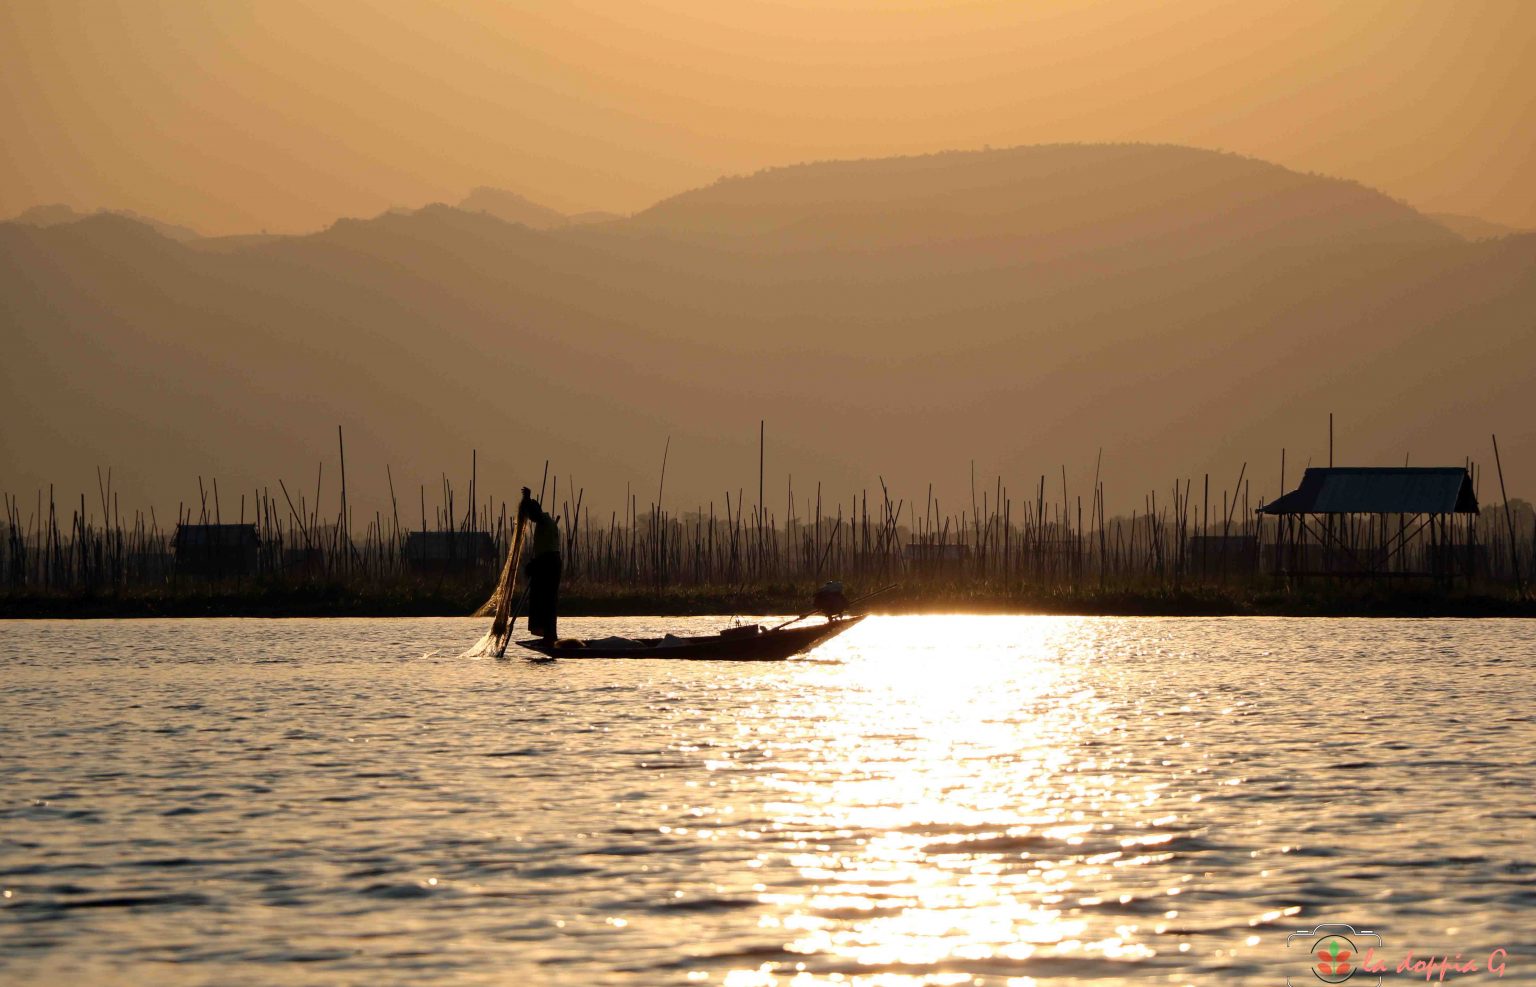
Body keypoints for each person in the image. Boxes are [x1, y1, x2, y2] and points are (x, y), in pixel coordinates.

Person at [518, 487, 562, 643]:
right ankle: (547, 634)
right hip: (546, 562)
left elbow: (547, 553)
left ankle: (550, 636)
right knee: (541, 599)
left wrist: (528, 499)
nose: (530, 518)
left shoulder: (544, 522)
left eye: (531, 515)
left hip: (549, 564)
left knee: (547, 599)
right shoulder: (543, 522)